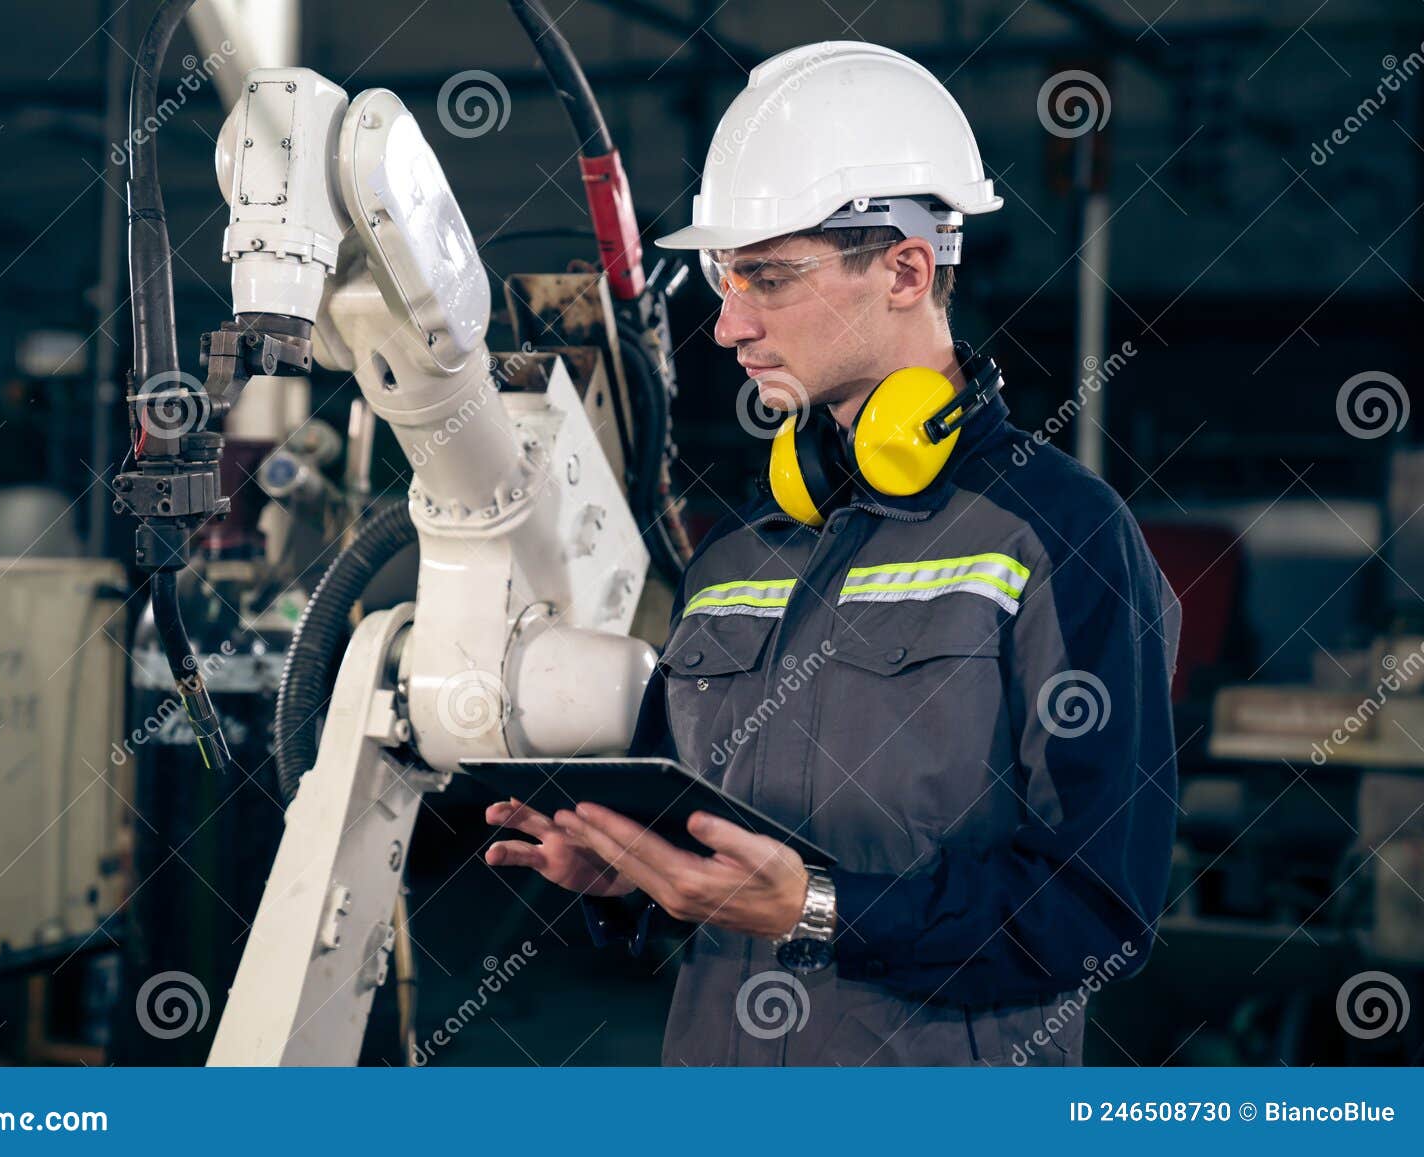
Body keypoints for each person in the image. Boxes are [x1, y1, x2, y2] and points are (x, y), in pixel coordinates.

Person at [485, 41, 1181, 1066]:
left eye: (767, 276)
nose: (727, 324)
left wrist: (816, 907)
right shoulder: (734, 552)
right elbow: (687, 826)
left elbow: (1097, 911)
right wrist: (630, 879)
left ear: (904, 267)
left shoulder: (1058, 536)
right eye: (726, 279)